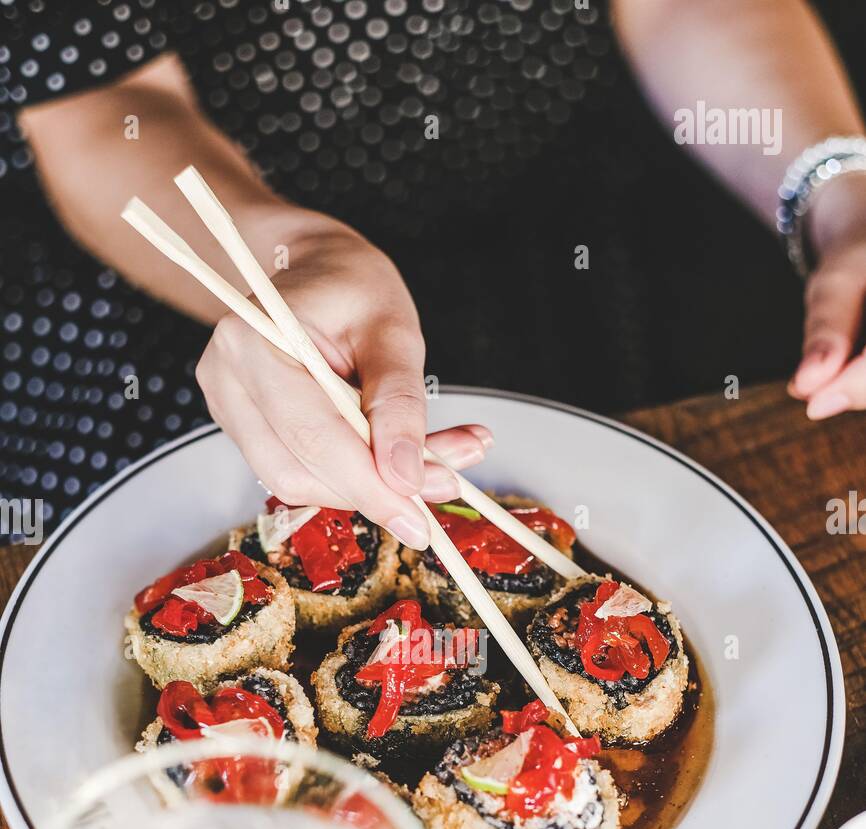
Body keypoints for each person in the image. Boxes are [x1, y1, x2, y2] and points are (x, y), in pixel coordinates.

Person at [2, 0, 866, 545]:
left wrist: (841, 196)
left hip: (557, 267)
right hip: (217, 308)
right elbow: (101, 109)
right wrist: (287, 258)